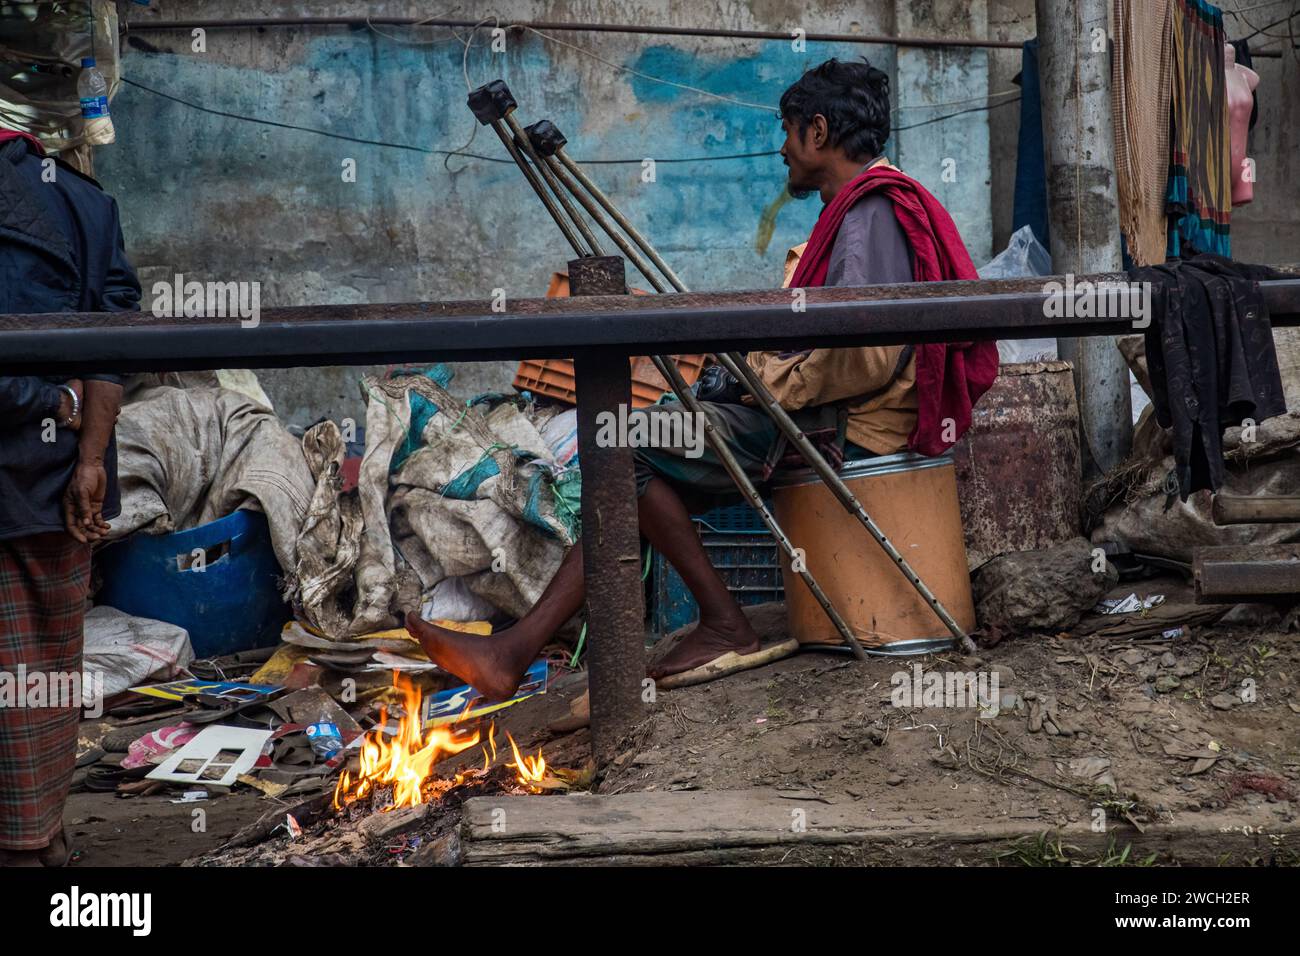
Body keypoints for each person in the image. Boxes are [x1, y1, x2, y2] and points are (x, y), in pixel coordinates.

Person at [407, 58, 996, 699]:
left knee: (622, 443)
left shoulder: (869, 214)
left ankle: (722, 623)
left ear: (819, 132)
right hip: (825, 411)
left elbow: (869, 355)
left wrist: (762, 384)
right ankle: (513, 653)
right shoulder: (861, 210)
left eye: (790, 132)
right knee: (638, 459)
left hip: (840, 424)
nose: (783, 148)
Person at [0, 130, 138, 866]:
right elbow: (116, 328)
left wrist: (56, 402)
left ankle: (24, 843)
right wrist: (89, 454)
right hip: (63, 470)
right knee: (49, 658)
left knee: (21, 666)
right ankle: (41, 833)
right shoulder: (86, 199)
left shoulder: (79, 200)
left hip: (29, 461)